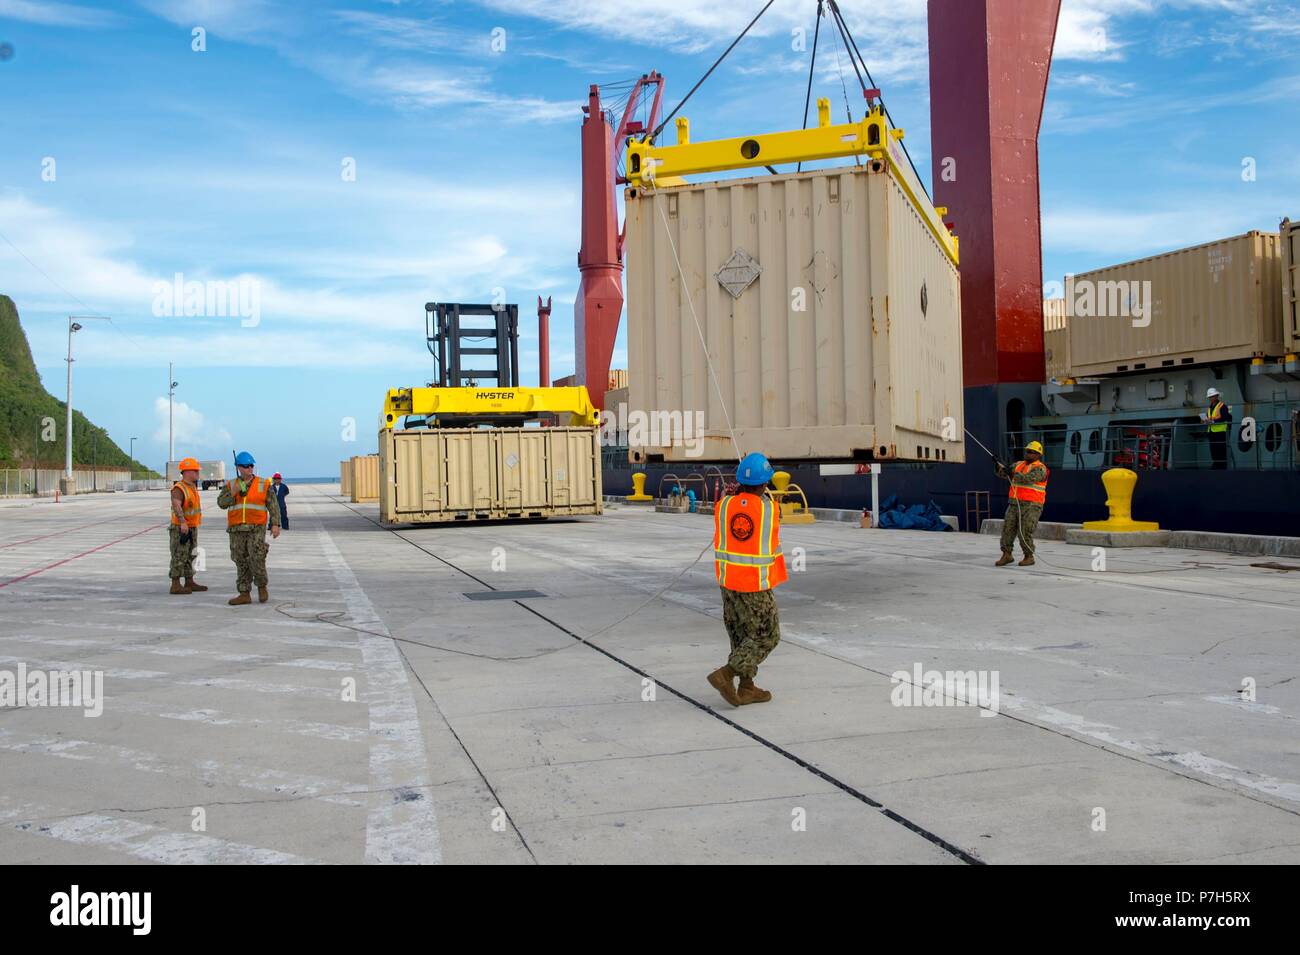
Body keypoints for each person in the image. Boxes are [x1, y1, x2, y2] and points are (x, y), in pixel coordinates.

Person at [707, 451, 788, 707]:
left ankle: (747, 687)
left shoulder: (723, 506)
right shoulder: (770, 510)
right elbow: (765, 507)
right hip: (755, 585)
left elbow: (737, 503)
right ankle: (726, 674)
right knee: (767, 636)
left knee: (741, 637)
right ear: (765, 483)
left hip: (729, 585)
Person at [217, 451, 281, 606]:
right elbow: (221, 503)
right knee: (240, 560)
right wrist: (233, 492)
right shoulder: (231, 485)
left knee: (257, 557)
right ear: (238, 467)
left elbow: (273, 505)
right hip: (237, 529)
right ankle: (244, 593)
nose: (249, 469)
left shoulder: (263, 484)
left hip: (255, 528)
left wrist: (275, 524)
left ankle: (261, 586)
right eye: (246, 466)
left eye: (251, 466)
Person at [996, 440, 1048, 567]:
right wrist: (999, 467)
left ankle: (1029, 556)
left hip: (1032, 505)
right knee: (1007, 529)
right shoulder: (1018, 464)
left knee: (1025, 531)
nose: (1028, 454)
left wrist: (1011, 472)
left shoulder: (1041, 469)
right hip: (1015, 503)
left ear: (1038, 455)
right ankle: (1006, 554)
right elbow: (1004, 474)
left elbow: (1027, 479)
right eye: (1027, 451)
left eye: (1031, 452)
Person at [168, 457, 207, 594]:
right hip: (181, 528)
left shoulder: (192, 487)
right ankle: (175, 584)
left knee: (191, 554)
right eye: (195, 471)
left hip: (192, 527)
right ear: (187, 471)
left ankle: (189, 581)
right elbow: (176, 504)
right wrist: (182, 522)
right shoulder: (179, 488)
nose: (197, 473)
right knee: (179, 554)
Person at [1202, 387, 1231, 470]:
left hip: (1220, 432)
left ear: (1217, 396)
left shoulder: (1222, 406)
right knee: (1213, 450)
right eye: (1210, 397)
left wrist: (1213, 422)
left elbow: (1225, 418)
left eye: (1213, 396)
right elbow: (1209, 417)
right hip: (1211, 432)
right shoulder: (1210, 407)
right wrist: (1205, 421)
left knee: (1221, 450)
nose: (1211, 398)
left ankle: (1222, 466)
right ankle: (1216, 465)